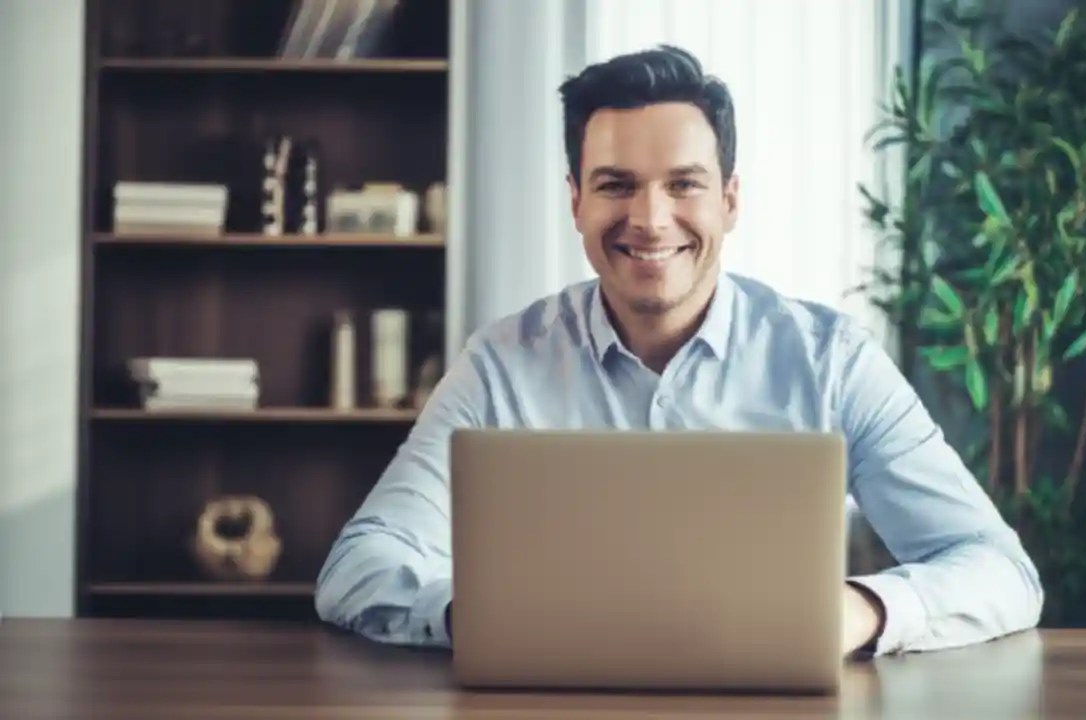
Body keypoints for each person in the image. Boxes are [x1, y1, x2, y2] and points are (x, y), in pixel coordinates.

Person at [315, 45, 1043, 658]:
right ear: (575, 201)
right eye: (616, 186)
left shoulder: (835, 360)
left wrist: (860, 610)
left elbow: (999, 570)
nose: (649, 219)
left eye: (683, 185)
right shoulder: (500, 364)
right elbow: (359, 565)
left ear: (729, 200)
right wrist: (475, 616)